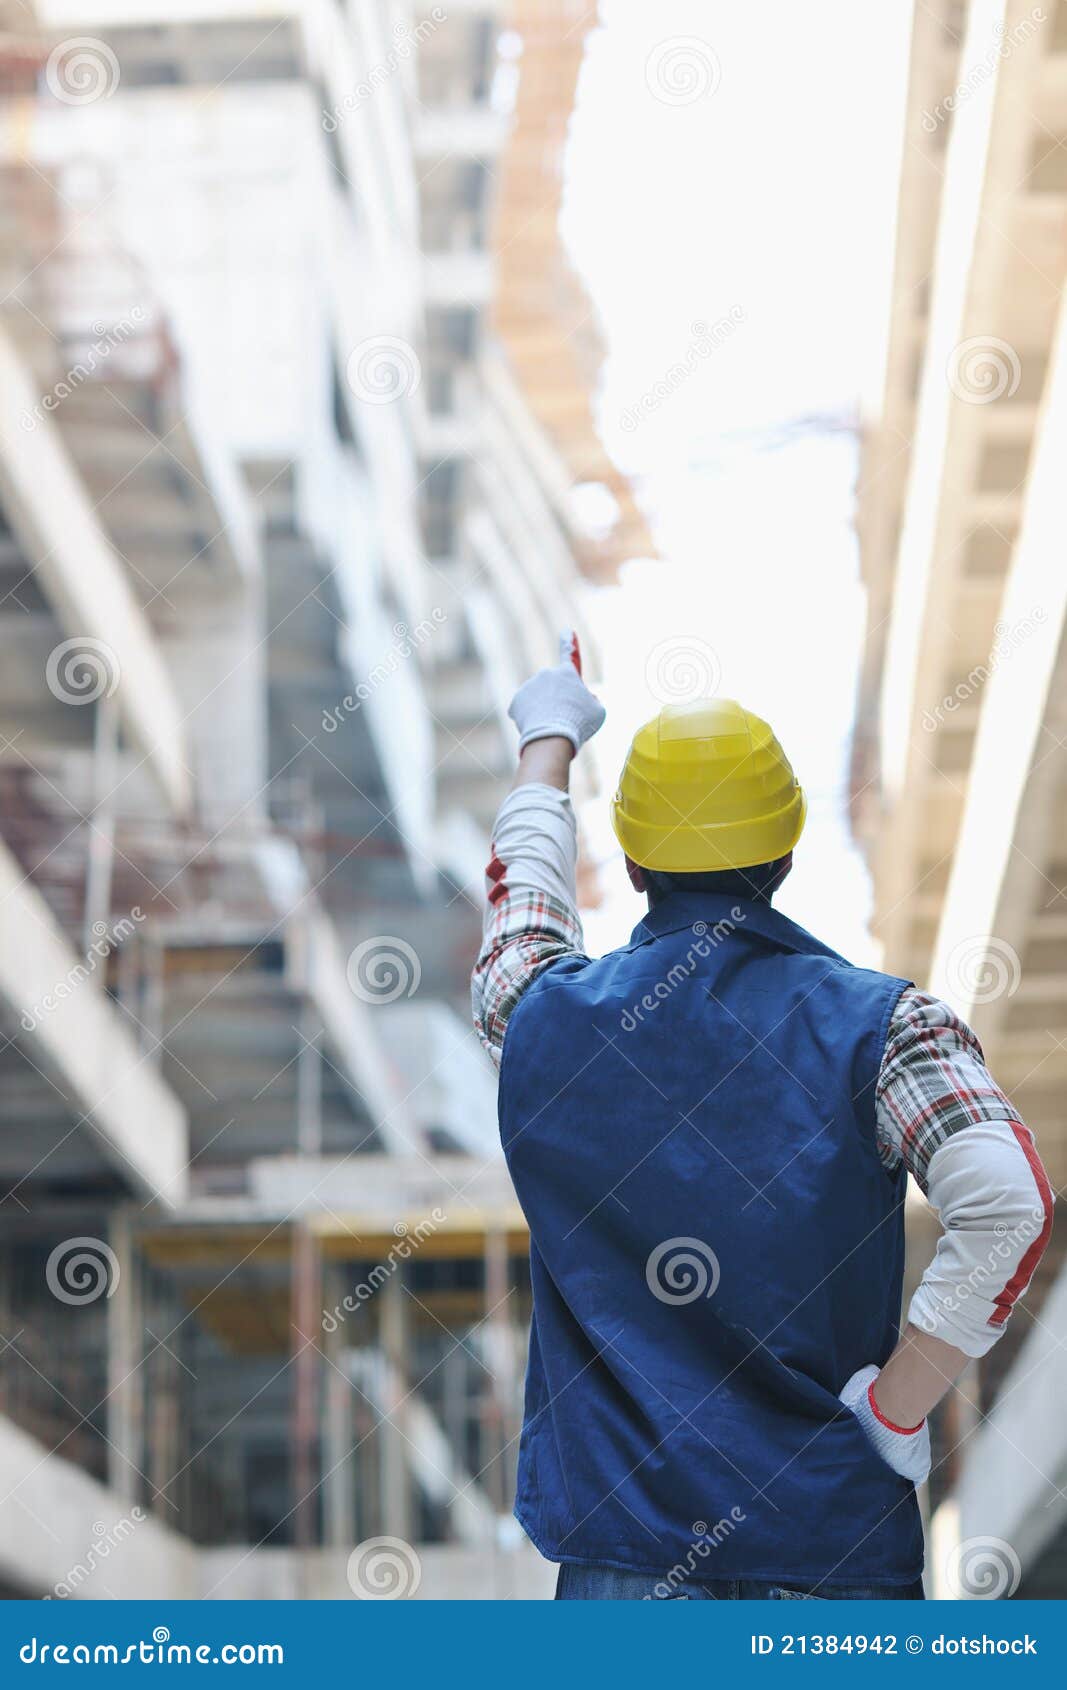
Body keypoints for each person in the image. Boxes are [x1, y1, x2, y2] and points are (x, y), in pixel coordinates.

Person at [471, 644, 1053, 1601]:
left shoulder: (547, 1020)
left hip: (623, 1576)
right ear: (787, 850)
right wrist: (896, 1414)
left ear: (629, 861)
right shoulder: (887, 1029)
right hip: (830, 1556)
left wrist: (549, 739)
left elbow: (520, 908)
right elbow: (1007, 1204)